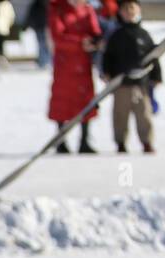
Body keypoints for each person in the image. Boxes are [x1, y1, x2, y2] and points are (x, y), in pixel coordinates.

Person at [102, 0, 162, 153]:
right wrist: (107, 72)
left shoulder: (144, 34)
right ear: (120, 12)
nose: (129, 11)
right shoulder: (116, 35)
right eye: (125, 8)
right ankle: (120, 142)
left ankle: (147, 142)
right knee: (120, 115)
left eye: (132, 8)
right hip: (121, 83)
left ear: (138, 10)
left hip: (141, 84)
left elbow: (153, 57)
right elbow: (108, 56)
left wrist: (157, 76)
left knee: (144, 115)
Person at [48, 0, 104, 153]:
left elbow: (95, 30)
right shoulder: (57, 9)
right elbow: (58, 36)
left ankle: (85, 139)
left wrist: (96, 40)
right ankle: (61, 140)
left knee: (85, 100)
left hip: (83, 64)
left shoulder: (87, 10)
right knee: (62, 101)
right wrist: (80, 42)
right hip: (65, 63)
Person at [23, 0, 52, 69]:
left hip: (42, 27)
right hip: (42, 27)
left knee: (43, 44)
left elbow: (29, 16)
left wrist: (26, 26)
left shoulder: (37, 4)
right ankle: (44, 62)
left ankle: (44, 62)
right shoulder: (45, 4)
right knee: (44, 44)